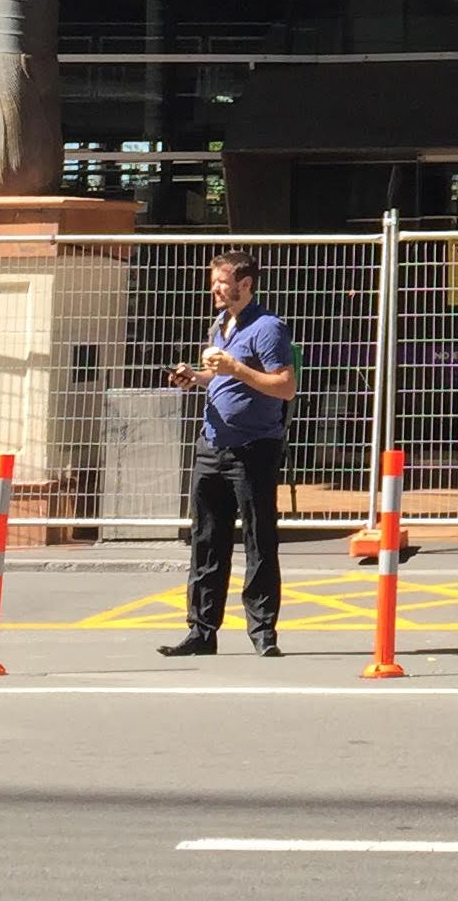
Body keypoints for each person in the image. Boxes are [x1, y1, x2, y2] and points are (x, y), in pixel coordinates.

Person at [158, 250, 298, 659]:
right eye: (214, 280)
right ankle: (201, 630)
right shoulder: (221, 324)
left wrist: (236, 368)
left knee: (258, 539)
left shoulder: (268, 328)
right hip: (212, 444)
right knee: (206, 539)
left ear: (245, 284)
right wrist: (195, 378)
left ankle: (262, 631)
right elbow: (218, 377)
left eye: (221, 282)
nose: (214, 288)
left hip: (253, 448)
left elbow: (285, 386)